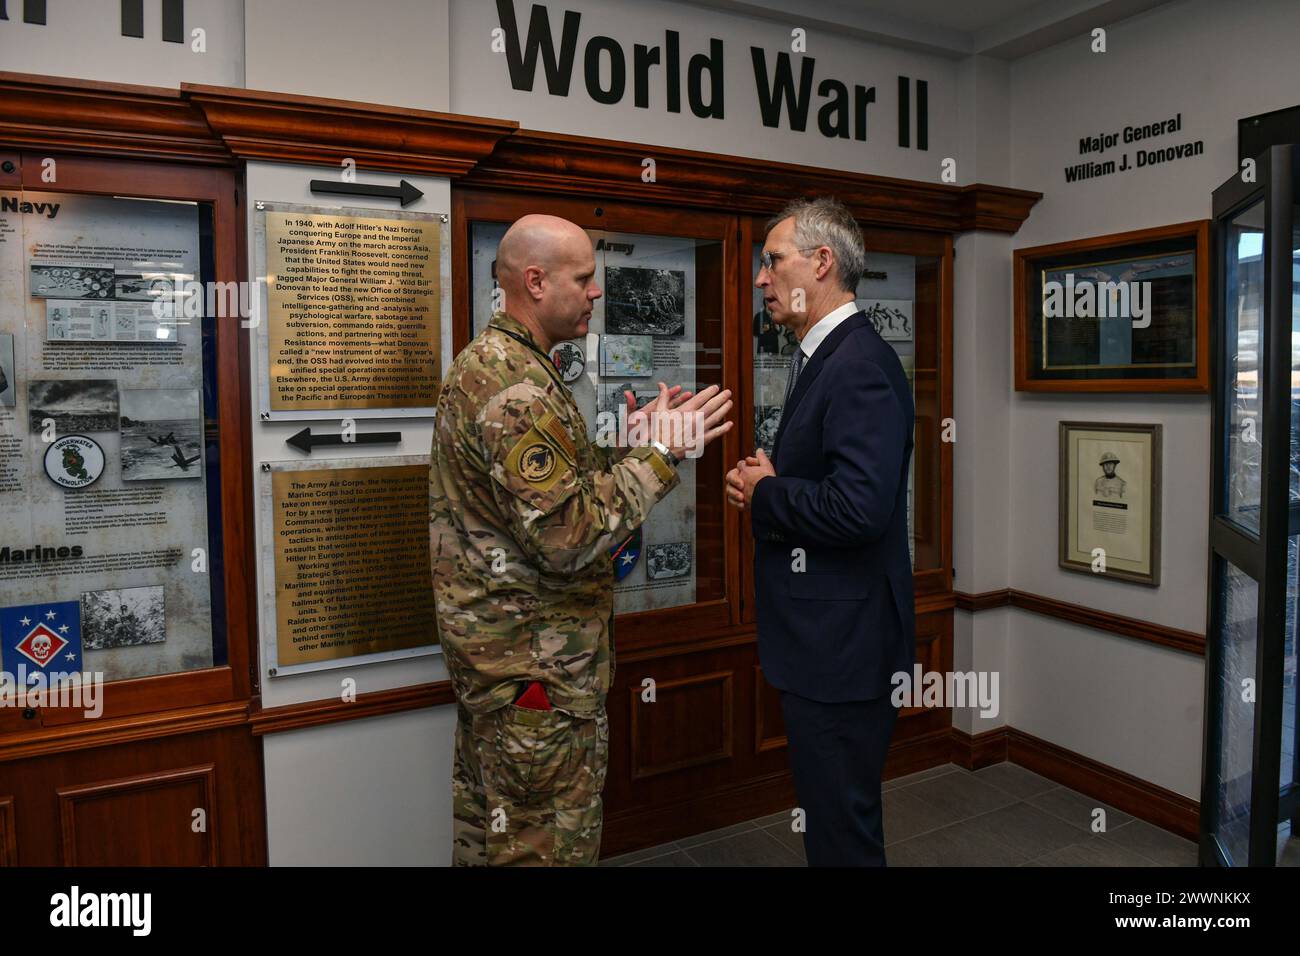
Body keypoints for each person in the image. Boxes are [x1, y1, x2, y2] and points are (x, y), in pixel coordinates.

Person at [431, 214, 733, 866]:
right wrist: (658, 456)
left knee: (493, 850)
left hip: (507, 678)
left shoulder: (504, 366)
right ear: (535, 282)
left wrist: (625, 444)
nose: (596, 292)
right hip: (535, 682)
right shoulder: (515, 387)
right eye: (585, 279)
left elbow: (547, 500)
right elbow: (568, 538)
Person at [726, 196, 915, 866]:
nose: (760, 278)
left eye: (773, 261)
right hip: (827, 644)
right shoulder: (826, 355)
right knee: (833, 827)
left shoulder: (857, 364)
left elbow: (859, 508)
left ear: (822, 262)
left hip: (845, 651)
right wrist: (774, 483)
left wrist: (767, 491)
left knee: (842, 838)